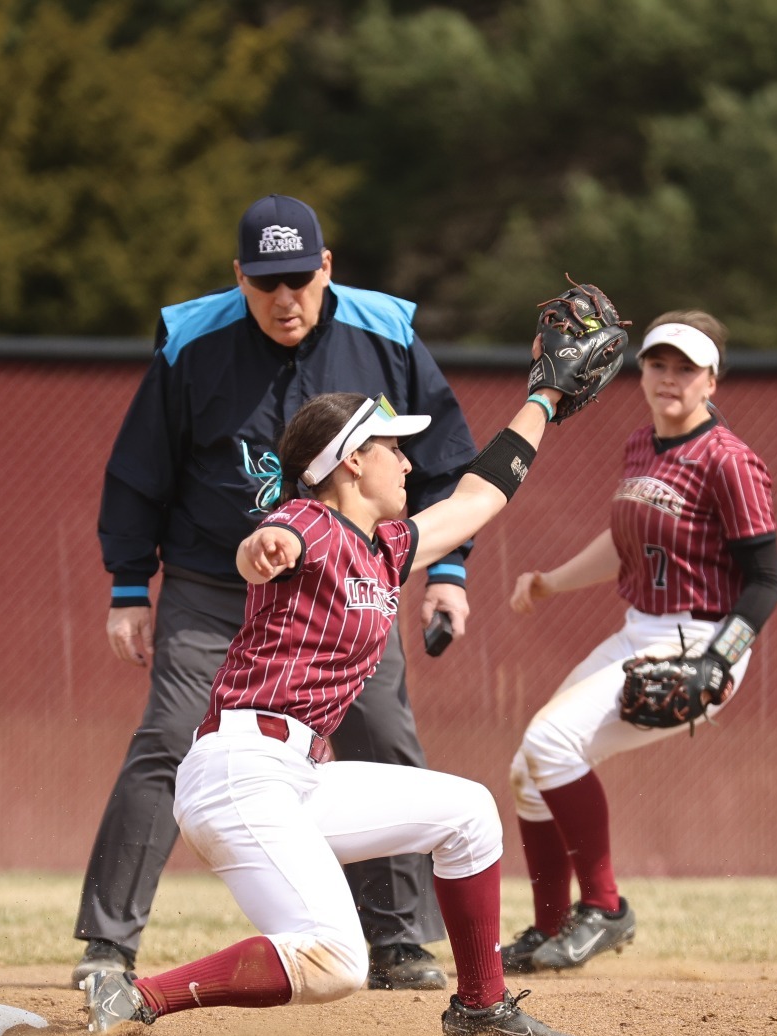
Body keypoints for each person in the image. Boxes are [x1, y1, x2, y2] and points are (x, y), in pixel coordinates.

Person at [81, 317, 621, 1036]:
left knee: (469, 813)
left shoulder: (385, 548)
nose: (407, 462)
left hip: (295, 776)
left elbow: (479, 497)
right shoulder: (306, 522)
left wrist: (545, 398)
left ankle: (480, 1009)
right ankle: (136, 997)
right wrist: (262, 546)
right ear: (351, 461)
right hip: (240, 771)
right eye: (393, 448)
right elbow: (270, 540)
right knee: (337, 960)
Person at [81, 195, 480, 993]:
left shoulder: (385, 331)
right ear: (239, 277)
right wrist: (129, 584)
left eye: (300, 277)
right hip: (213, 584)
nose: (285, 297)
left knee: (383, 732)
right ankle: (108, 944)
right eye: (266, 282)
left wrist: (449, 573)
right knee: (167, 739)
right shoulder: (193, 341)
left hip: (344, 587)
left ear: (327, 267)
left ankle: (399, 939)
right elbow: (139, 468)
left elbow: (442, 457)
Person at [499, 311, 777, 973]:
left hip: (700, 639)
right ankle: (550, 927)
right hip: (642, 630)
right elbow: (626, 540)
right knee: (527, 769)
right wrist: (552, 582)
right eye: (659, 363)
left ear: (712, 380)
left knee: (550, 741)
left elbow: (766, 579)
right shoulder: (641, 445)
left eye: (687, 368)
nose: (670, 378)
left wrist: (717, 660)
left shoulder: (728, 460)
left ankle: (605, 909)